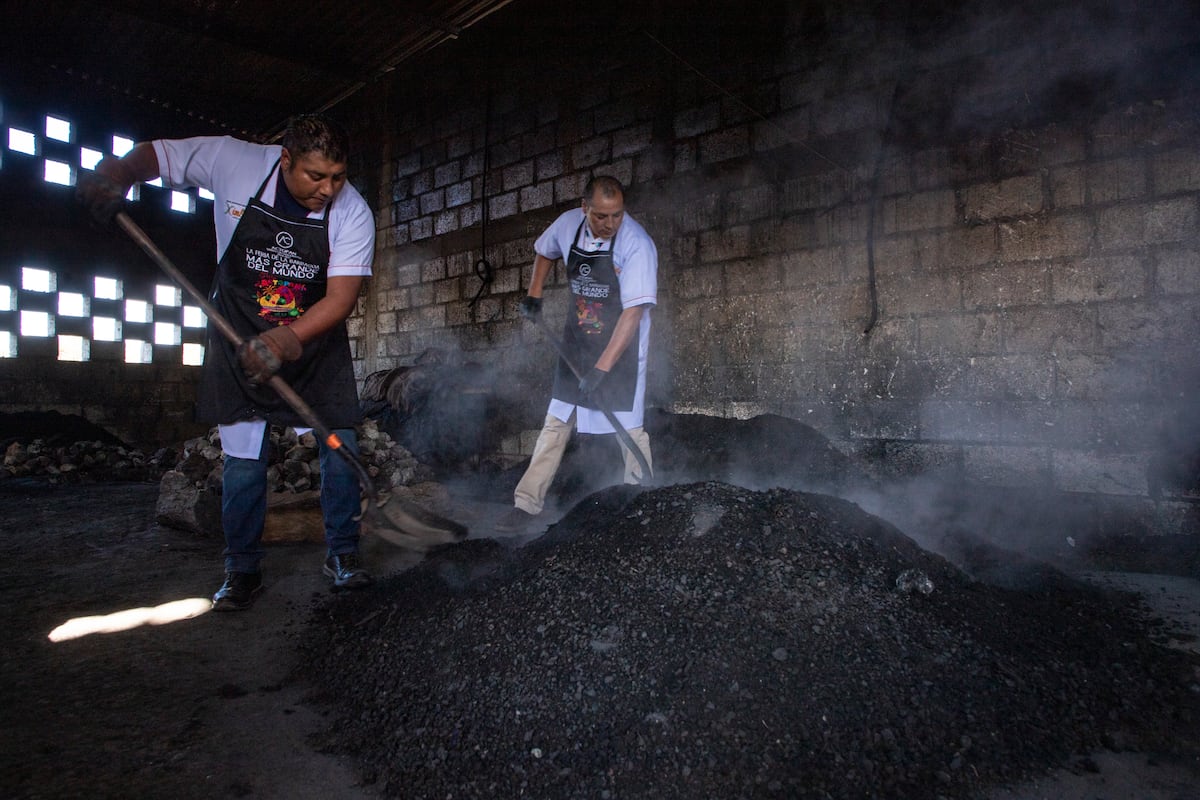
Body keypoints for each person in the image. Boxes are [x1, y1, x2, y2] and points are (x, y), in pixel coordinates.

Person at [79, 114, 376, 610]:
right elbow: (158, 154)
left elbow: (341, 299)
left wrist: (286, 340)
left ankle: (343, 555)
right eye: (315, 176)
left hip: (311, 341)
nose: (328, 189)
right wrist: (118, 174)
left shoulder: (353, 212)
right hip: (236, 333)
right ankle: (241, 570)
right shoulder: (233, 161)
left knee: (339, 443)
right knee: (243, 460)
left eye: (338, 177)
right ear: (285, 160)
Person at [498, 175, 657, 532]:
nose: (610, 224)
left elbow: (632, 314)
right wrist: (534, 294)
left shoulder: (637, 245)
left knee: (628, 428)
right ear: (584, 208)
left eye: (617, 215)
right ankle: (526, 505)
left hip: (621, 349)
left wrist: (601, 370)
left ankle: (648, 502)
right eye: (601, 216)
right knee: (556, 423)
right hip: (578, 340)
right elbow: (545, 250)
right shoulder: (568, 225)